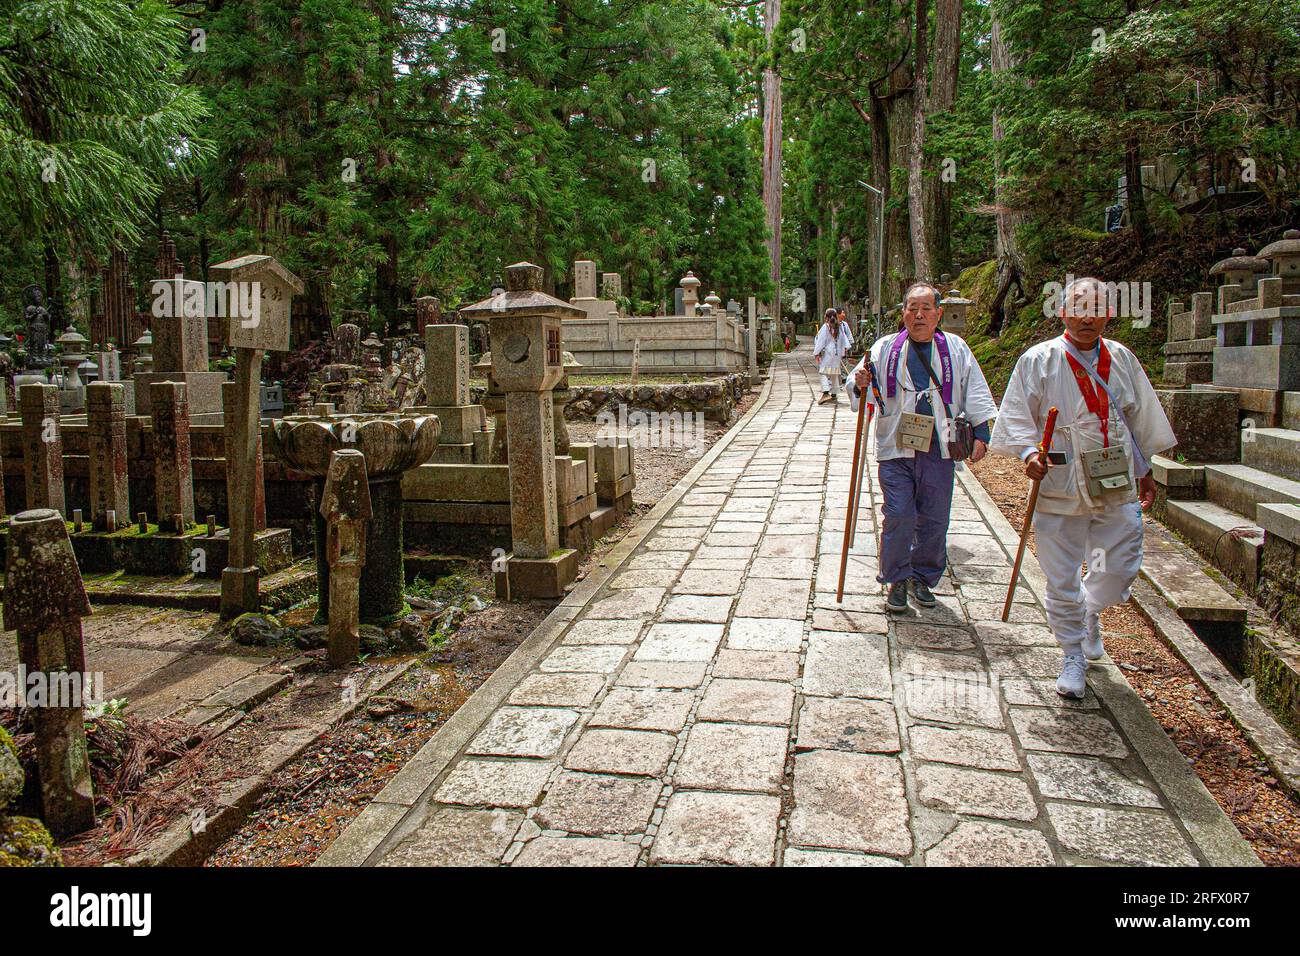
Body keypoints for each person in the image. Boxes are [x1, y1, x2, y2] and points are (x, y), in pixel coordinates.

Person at [990, 276, 1176, 700]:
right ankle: (1072, 651)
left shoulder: (1122, 359)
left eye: (1096, 308)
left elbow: (1138, 417)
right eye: (1078, 307)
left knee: (1121, 563)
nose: (1086, 316)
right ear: (1062, 311)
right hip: (1061, 479)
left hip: (1115, 478)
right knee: (1060, 574)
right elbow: (1017, 416)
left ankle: (1090, 610)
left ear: (1109, 314)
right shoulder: (1039, 360)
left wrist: (1146, 467)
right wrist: (1027, 454)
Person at [850, 283, 997, 614]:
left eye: (926, 308)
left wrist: (981, 433)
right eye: (912, 308)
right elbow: (861, 383)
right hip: (896, 444)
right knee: (899, 513)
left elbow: (974, 390)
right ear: (903, 314)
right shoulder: (885, 347)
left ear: (938, 313)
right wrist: (860, 383)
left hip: (939, 446)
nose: (918, 315)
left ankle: (922, 577)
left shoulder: (955, 349)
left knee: (934, 517)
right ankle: (897, 578)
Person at [813, 307, 854, 404]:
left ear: (826, 317)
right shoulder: (839, 326)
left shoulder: (826, 327)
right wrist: (844, 350)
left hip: (829, 351)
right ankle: (834, 394)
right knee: (834, 372)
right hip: (837, 352)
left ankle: (826, 392)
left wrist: (817, 353)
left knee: (823, 371)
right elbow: (844, 340)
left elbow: (820, 341)